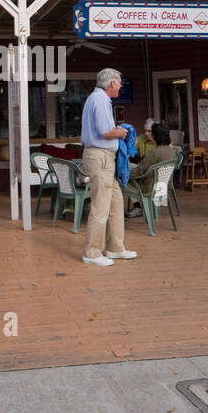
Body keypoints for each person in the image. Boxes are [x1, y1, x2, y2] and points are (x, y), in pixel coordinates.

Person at [80, 68, 136, 266]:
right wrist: (121, 132)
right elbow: (105, 132)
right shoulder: (102, 100)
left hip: (101, 157)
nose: (121, 86)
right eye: (119, 83)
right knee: (101, 206)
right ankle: (92, 252)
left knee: (115, 203)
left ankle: (115, 248)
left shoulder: (95, 99)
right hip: (100, 157)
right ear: (112, 83)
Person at [129, 122, 179, 197]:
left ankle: (138, 205)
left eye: (151, 132)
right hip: (162, 185)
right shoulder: (171, 150)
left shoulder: (153, 153)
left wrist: (123, 174)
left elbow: (139, 171)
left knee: (121, 181)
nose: (148, 134)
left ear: (156, 136)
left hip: (149, 188)